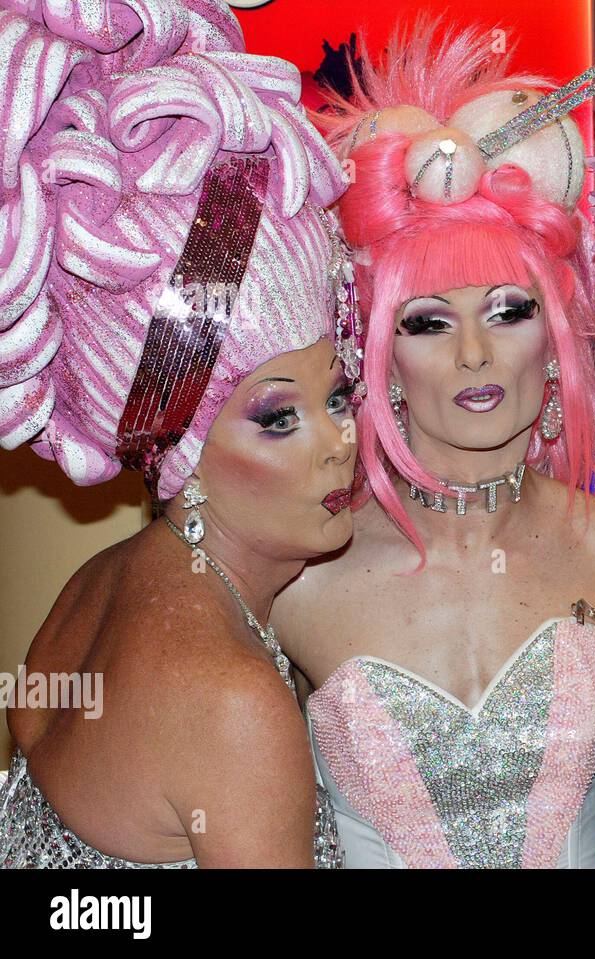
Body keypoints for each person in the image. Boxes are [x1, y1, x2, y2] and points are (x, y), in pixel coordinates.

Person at [274, 22, 595, 869]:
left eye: (507, 310)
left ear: (554, 332)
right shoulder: (298, 578)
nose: (473, 354)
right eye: (428, 321)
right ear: (380, 355)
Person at [0, 0, 356, 868]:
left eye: (338, 394)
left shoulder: (96, 586)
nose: (339, 441)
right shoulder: (232, 705)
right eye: (278, 416)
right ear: (177, 451)